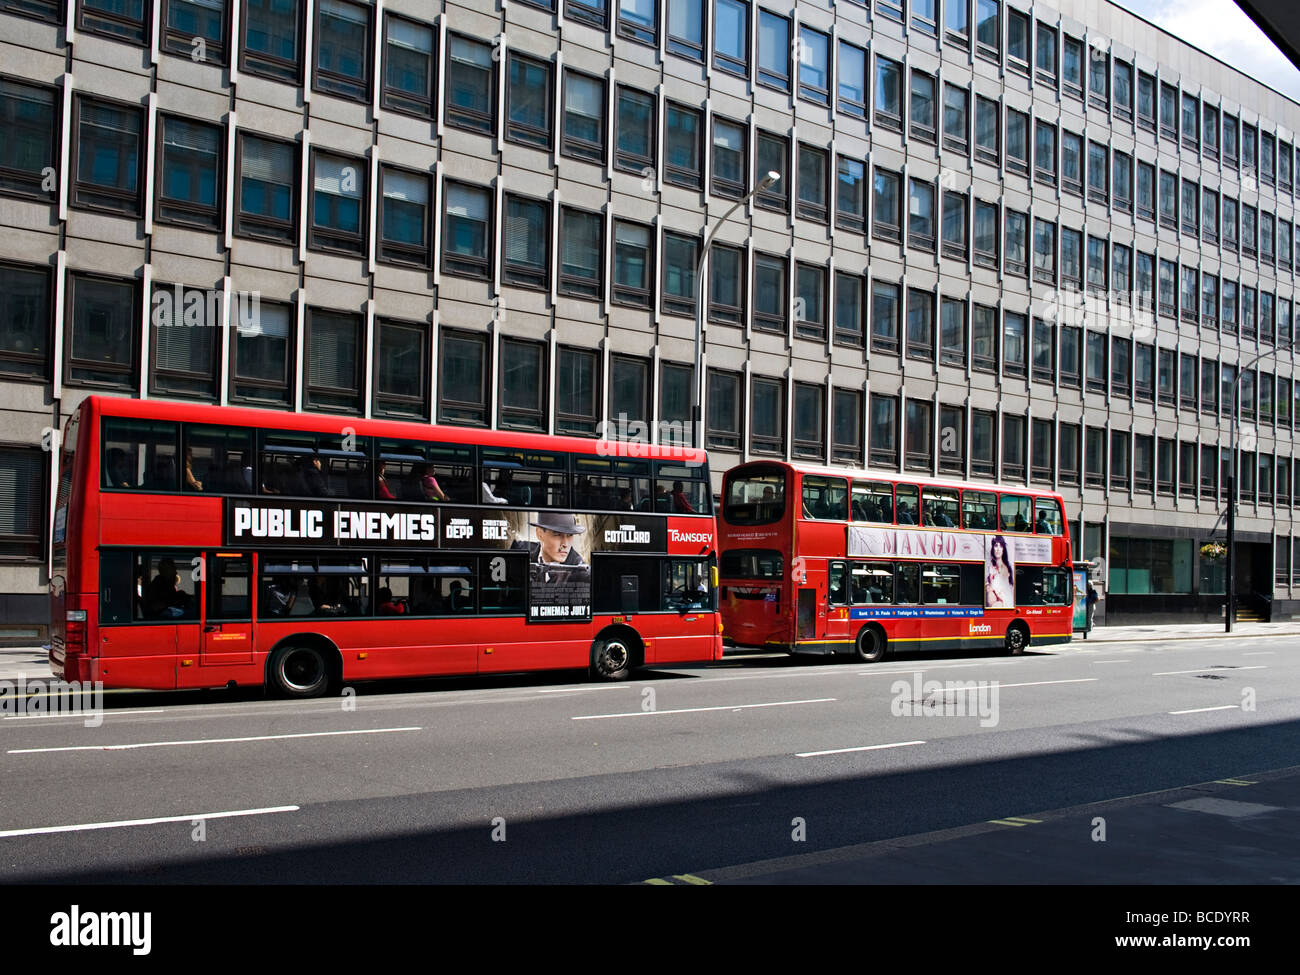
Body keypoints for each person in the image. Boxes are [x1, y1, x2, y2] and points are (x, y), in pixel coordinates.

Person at [985, 535, 1015, 609]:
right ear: (993, 548)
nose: (998, 549)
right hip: (995, 601)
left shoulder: (1004, 568)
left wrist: (990, 587)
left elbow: (998, 589)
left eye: (1000, 546)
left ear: (1003, 549)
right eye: (996, 546)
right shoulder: (992, 567)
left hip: (1004, 602)